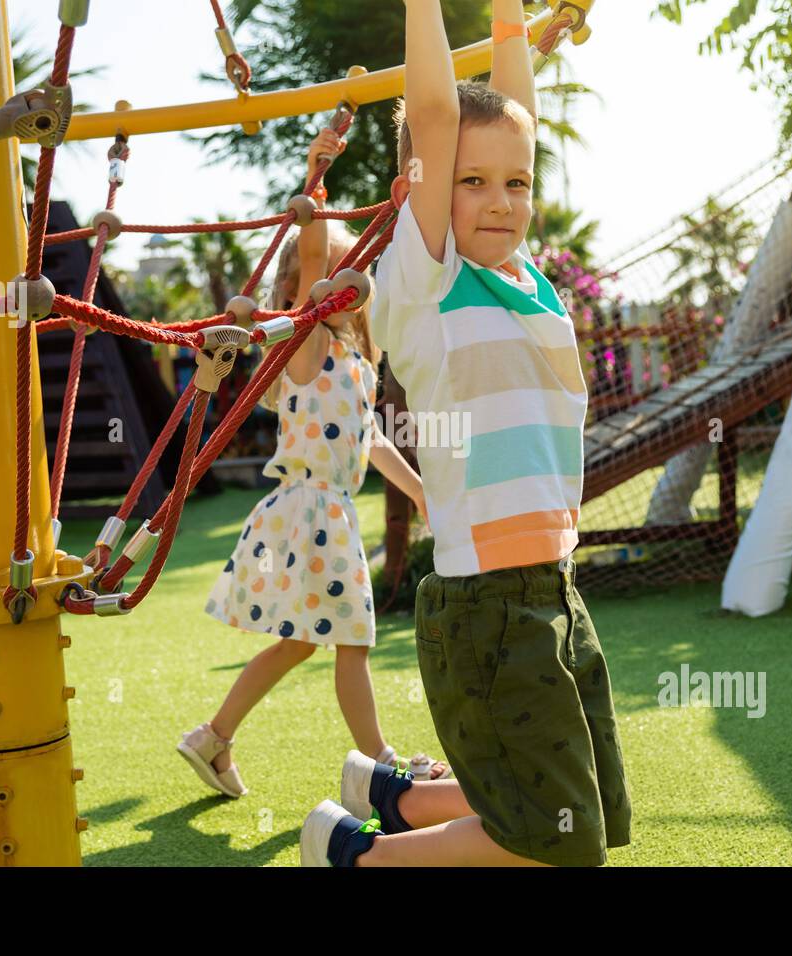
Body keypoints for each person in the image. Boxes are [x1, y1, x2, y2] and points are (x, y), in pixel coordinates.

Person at [299, 0, 632, 867]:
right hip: (488, 602)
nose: (500, 200)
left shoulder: (524, 277)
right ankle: (356, 856)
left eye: (515, 182)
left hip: (550, 585)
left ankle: (390, 796)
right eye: (471, 181)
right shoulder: (427, 281)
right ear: (423, 188)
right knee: (563, 843)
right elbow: (441, 114)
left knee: (592, 800)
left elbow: (512, 113)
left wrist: (512, 18)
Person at [177, 127, 449, 799]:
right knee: (352, 636)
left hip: (325, 511)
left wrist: (418, 493)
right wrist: (315, 174)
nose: (340, 276)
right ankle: (381, 764)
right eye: (322, 270)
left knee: (305, 641)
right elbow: (311, 249)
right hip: (308, 510)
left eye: (347, 270)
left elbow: (370, 442)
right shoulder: (304, 347)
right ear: (304, 290)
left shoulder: (353, 361)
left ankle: (212, 738)